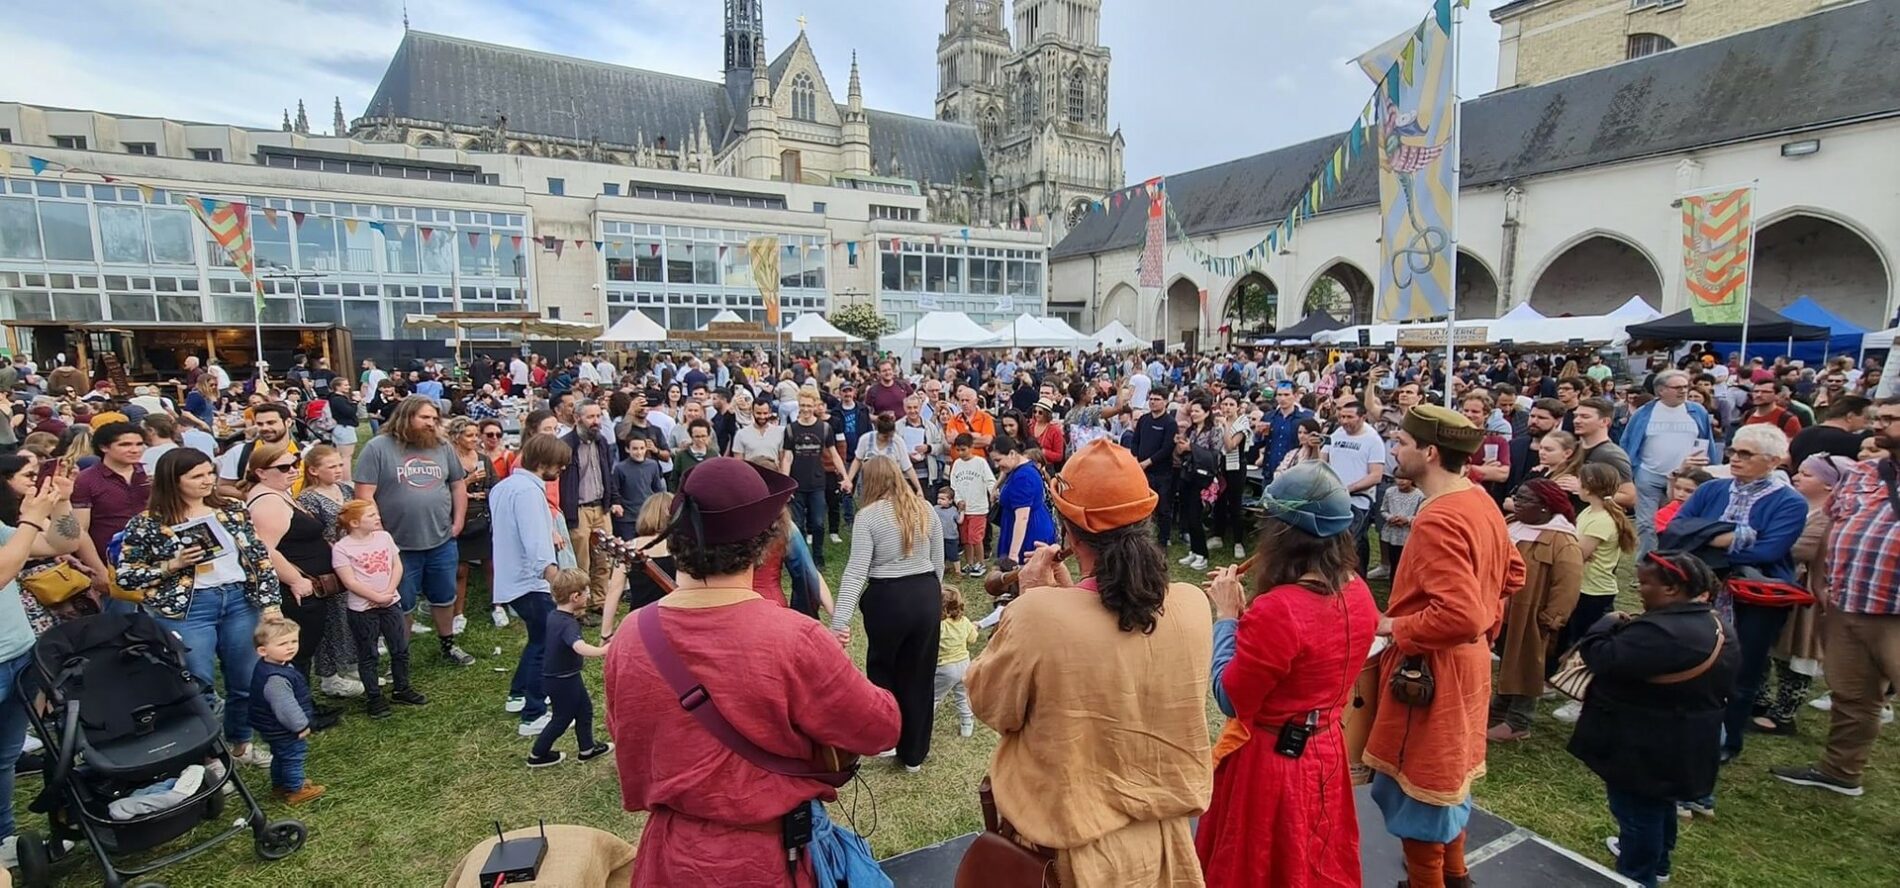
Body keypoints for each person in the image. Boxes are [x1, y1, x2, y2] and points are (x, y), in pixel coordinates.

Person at [604, 455, 900, 886]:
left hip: (672, 857)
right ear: (763, 545)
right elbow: (881, 728)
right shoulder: (795, 637)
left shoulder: (631, 636)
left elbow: (630, 749)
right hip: (768, 861)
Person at [967, 438, 1213, 886]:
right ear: (1146, 518)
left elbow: (990, 703)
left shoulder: (1038, 616)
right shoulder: (1194, 605)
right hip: (1164, 847)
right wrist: (1055, 602)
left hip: (1067, 856)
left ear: (1068, 528)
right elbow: (1107, 639)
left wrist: (1033, 599)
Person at [1197, 461, 1376, 887]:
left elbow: (1231, 696)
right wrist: (1247, 620)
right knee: (1312, 864)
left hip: (1272, 762)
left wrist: (1226, 618)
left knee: (1256, 868)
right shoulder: (1358, 591)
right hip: (1327, 749)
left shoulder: (1278, 609)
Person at [1368, 405, 1526, 888]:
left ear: (1430, 452)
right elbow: (1512, 574)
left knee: (1421, 785)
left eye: (1401, 444)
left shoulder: (1440, 517)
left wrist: (1394, 627)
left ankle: (1429, 882)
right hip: (1468, 664)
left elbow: (1459, 615)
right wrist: (1482, 624)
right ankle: (1456, 875)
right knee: (1447, 781)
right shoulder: (1479, 498)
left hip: (1431, 672)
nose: (1395, 450)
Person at [1569, 552, 1738, 888]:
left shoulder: (1662, 632)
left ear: (1673, 589)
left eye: (1646, 583)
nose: (1639, 589)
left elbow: (1601, 657)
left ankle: (1637, 875)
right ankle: (1659, 861)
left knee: (1635, 811)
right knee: (1660, 803)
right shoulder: (1718, 625)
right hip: (1686, 737)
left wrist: (1604, 624)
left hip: (1645, 742)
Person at [115, 447, 282, 768]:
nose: (207, 481)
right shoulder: (147, 523)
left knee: (245, 679)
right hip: (186, 609)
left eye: (210, 473)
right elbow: (127, 575)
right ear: (173, 481)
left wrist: (270, 603)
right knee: (196, 681)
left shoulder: (232, 508)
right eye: (197, 476)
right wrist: (171, 564)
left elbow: (259, 558)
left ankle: (240, 743)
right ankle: (207, 755)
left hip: (237, 600)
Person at [1773, 398, 1900, 797]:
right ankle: (1841, 771)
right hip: (1849, 602)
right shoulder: (1864, 473)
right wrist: (1825, 582)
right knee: (1852, 692)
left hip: (1894, 611)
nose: (1882, 424)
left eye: (1894, 419)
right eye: (1881, 417)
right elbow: (1834, 524)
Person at [1669, 423, 1806, 765]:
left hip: (1754, 597)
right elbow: (1676, 530)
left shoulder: (1789, 502)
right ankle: (1682, 726)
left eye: (1746, 454)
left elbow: (1769, 551)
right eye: (1734, 451)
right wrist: (1733, 536)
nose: (1735, 459)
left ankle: (1726, 740)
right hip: (1700, 589)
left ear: (1773, 460)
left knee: (1742, 668)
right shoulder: (1712, 490)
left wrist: (1705, 541)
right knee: (1689, 656)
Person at [827, 456, 944, 771]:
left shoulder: (868, 517)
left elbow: (855, 573)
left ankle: (886, 739)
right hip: (925, 594)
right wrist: (934, 599)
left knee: (883, 670)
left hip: (888, 598)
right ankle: (914, 754)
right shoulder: (926, 509)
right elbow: (939, 562)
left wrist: (840, 620)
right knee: (920, 674)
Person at [354, 396, 475, 667]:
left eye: (434, 418)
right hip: (398, 546)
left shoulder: (442, 447)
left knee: (445, 597)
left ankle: (448, 645)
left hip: (441, 540)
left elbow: (457, 485)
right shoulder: (377, 448)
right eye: (425, 418)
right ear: (406, 417)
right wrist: (379, 536)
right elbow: (364, 495)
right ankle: (401, 655)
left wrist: (458, 522)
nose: (431, 423)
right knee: (402, 603)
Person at [242, 442, 341, 731]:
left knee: (302, 651)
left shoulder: (278, 494)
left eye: (294, 463)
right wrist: (295, 579)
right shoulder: (268, 503)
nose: (293, 470)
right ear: (261, 472)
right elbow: (265, 550)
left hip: (306, 587)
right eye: (283, 467)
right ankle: (298, 711)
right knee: (294, 652)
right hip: (297, 590)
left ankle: (303, 703)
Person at [1752, 454, 1853, 735]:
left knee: (1798, 654)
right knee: (1766, 646)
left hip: (1805, 595)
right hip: (1779, 585)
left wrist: (1768, 541)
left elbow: (1798, 549)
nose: (1797, 476)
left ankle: (1784, 713)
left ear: (1830, 486)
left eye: (1808, 475)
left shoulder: (1829, 518)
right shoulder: (1798, 507)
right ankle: (1758, 700)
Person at [491, 433, 572, 737]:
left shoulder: (505, 487)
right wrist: (556, 579)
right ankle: (534, 713)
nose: (560, 471)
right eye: (558, 466)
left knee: (537, 639)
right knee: (546, 644)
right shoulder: (528, 493)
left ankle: (518, 694)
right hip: (531, 581)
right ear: (544, 463)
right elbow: (536, 541)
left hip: (511, 577)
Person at [1489, 479, 1582, 741]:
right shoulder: (1512, 525)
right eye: (1516, 497)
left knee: (1528, 662)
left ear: (1544, 508)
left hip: (1533, 614)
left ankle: (1519, 721)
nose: (1516, 503)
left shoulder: (1561, 540)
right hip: (1505, 609)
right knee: (1509, 657)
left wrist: (1552, 618)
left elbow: (1568, 583)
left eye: (1524, 500)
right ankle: (1501, 706)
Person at [330, 499, 428, 719]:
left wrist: (388, 593)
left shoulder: (384, 537)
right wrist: (375, 597)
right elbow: (350, 581)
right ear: (354, 523)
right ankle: (374, 697)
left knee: (400, 647)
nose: (377, 517)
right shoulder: (342, 548)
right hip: (363, 609)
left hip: (390, 602)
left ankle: (401, 688)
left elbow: (397, 565)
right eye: (371, 515)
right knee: (368, 653)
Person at [527, 568, 614, 768]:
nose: (589, 595)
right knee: (562, 718)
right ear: (576, 596)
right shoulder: (568, 624)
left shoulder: (554, 615)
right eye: (587, 591)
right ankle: (538, 755)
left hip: (564, 676)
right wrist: (604, 650)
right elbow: (579, 647)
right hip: (562, 680)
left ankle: (587, 748)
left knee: (584, 709)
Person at [71, 420, 149, 608]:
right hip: (112, 565)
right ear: (104, 447)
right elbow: (80, 530)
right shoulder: (87, 480)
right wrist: (99, 571)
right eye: (125, 444)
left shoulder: (147, 474)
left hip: (154, 561)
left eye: (139, 444)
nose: (135, 449)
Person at [248, 616, 324, 804]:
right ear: (262, 650)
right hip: (284, 729)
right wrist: (301, 726)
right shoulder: (276, 680)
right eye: (282, 644)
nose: (290, 647)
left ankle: (280, 784)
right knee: (293, 757)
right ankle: (296, 789)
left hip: (271, 727)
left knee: (280, 756)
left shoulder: (272, 665)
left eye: (293, 641)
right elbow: (285, 707)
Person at [559, 400, 617, 605]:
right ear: (577, 418)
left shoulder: (601, 442)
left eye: (598, 416)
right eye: (591, 417)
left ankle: (600, 602)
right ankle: (579, 607)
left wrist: (613, 501)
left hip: (601, 507)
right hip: (579, 509)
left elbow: (608, 475)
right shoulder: (566, 445)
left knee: (604, 559)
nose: (596, 421)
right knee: (581, 562)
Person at [1325, 400, 1387, 572]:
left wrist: (1349, 489)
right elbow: (1323, 460)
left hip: (1358, 501)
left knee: (1354, 543)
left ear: (1362, 417)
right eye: (1342, 417)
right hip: (1333, 498)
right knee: (1332, 541)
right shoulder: (1337, 433)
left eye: (1349, 417)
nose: (1344, 421)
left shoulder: (1373, 439)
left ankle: (1358, 578)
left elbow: (1376, 475)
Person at [992, 435, 1057, 568]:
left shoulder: (1023, 478)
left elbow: (1022, 518)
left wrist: (1013, 556)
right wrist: (995, 486)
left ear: (1012, 453)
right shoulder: (1022, 465)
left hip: (1028, 535)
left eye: (998, 460)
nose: (996, 465)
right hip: (1026, 527)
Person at [934, 587, 978, 740]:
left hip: (945, 668)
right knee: (963, 695)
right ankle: (967, 724)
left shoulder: (939, 626)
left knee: (933, 697)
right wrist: (975, 627)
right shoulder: (964, 622)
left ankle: (924, 722)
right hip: (965, 664)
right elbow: (972, 639)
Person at [949, 433, 996, 578]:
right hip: (963, 509)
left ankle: (980, 563)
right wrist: (957, 500)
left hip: (978, 507)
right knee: (965, 538)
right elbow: (953, 485)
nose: (960, 453)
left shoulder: (980, 462)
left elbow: (990, 481)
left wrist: (993, 494)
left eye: (963, 449)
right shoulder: (956, 464)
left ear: (971, 447)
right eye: (958, 450)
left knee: (976, 537)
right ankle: (969, 562)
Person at [611, 436, 666, 540]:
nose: (639, 452)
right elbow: (615, 491)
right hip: (627, 519)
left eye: (642, 448)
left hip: (647, 517)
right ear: (627, 449)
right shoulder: (620, 468)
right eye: (635, 449)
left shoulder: (652, 465)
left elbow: (657, 490)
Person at [1377, 474, 1425, 579]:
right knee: (1394, 561)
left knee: (1407, 563)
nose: (1401, 481)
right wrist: (1390, 518)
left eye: (1405, 478)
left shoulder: (1419, 496)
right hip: (1393, 534)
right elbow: (1383, 509)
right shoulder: (1390, 492)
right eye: (1398, 478)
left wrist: (1407, 520)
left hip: (1408, 534)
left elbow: (1421, 515)